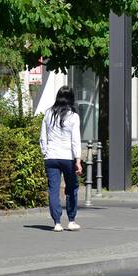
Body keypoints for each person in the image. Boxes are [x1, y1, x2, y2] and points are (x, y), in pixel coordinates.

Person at [39, 85, 83, 231]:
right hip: (67, 157)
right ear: (71, 99)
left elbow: (42, 137)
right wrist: (78, 160)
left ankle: (57, 222)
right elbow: (75, 140)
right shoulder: (73, 117)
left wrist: (45, 152)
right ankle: (71, 220)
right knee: (71, 188)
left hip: (51, 157)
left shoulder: (48, 113)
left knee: (53, 189)